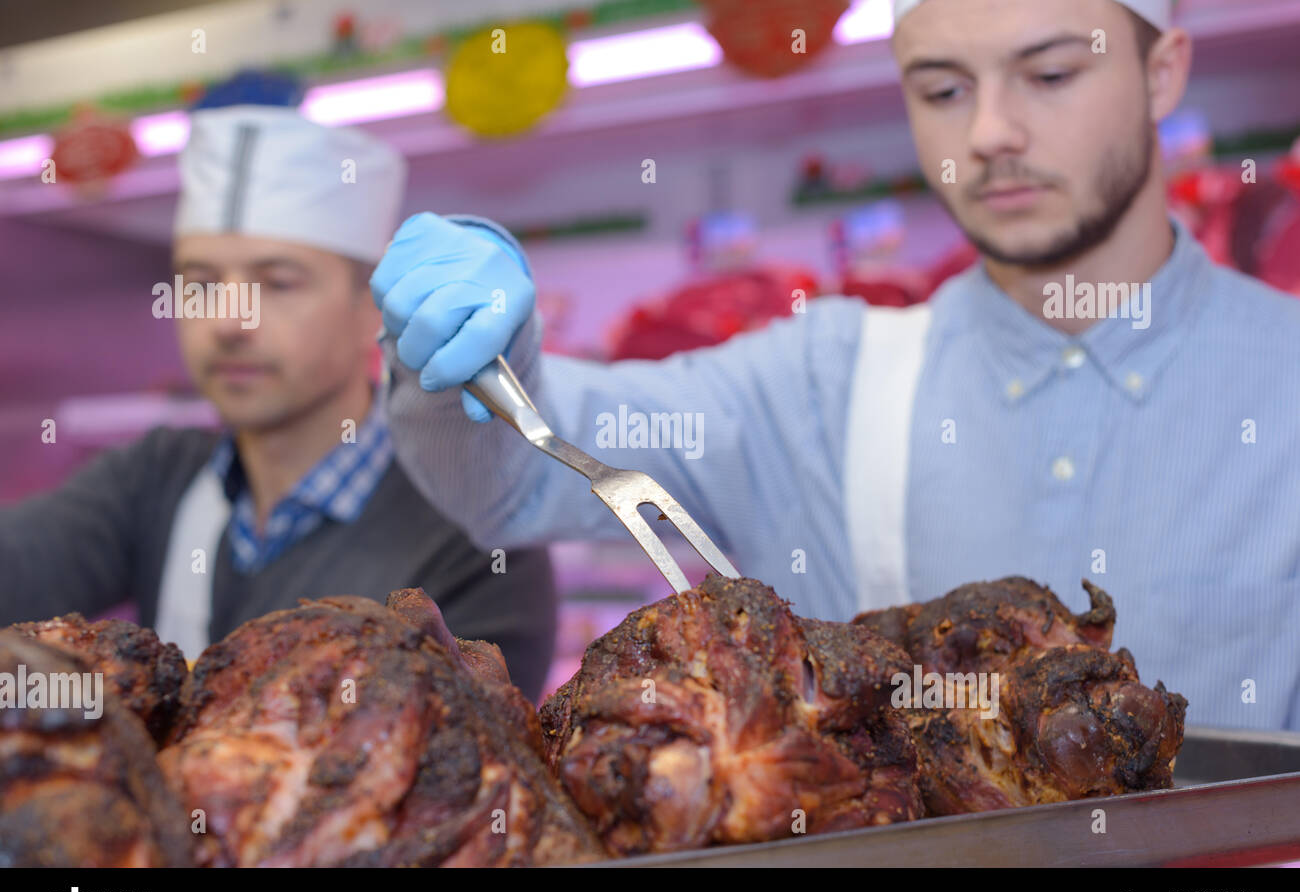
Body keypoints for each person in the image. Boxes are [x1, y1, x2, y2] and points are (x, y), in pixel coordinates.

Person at [370, 0, 1300, 731]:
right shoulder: (825, 379)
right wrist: (474, 350)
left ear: (1164, 70)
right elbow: (516, 483)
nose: (988, 133)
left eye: (1051, 73)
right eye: (941, 89)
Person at [0, 105, 558, 699]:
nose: (229, 322)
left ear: (372, 304)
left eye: (278, 282)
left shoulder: (476, 537)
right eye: (202, 283)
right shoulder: (156, 475)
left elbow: (442, 764)